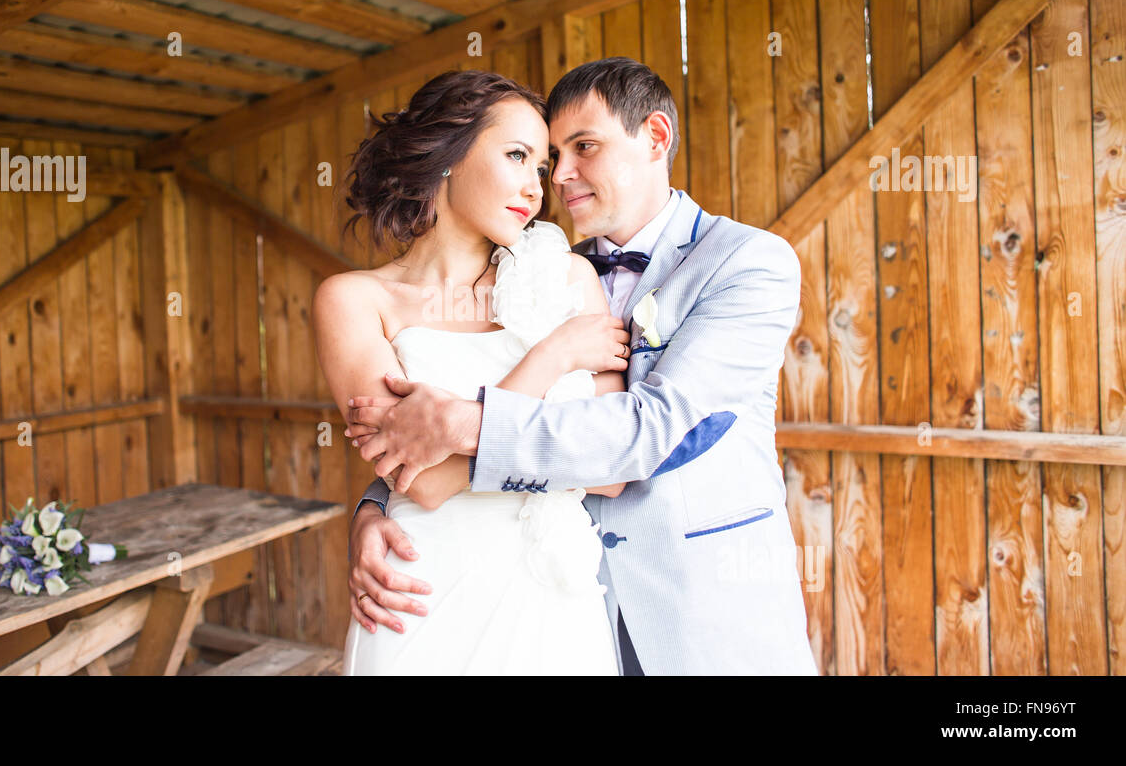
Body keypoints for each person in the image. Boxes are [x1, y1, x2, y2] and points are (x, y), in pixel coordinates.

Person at [345, 57, 818, 675]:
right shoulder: (547, 272)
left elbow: (649, 429)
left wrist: (463, 425)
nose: (559, 179)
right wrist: (376, 506)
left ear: (655, 137)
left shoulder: (746, 263)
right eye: (549, 157)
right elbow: (429, 424)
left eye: (583, 148)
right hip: (571, 603)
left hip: (703, 611)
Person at [313, 69, 636, 674]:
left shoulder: (569, 280)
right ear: (447, 158)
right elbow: (425, 485)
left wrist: (457, 438)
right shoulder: (354, 301)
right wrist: (550, 359)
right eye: (517, 155)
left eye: (540, 168)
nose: (536, 188)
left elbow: (611, 468)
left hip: (553, 597)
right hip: (422, 592)